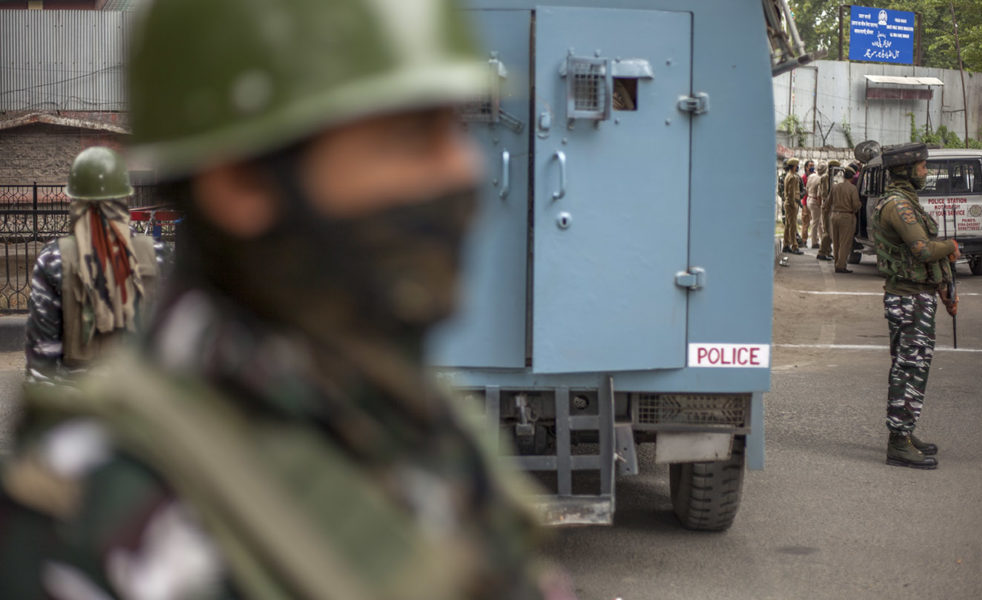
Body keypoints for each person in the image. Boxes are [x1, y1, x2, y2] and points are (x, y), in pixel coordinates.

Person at [0, 1, 573, 599]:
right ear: (239, 181)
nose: (464, 171)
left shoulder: (414, 415)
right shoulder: (94, 512)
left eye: (454, 128)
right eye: (407, 137)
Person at [23, 146, 161, 383]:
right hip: (142, 409)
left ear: (75, 200)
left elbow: (41, 366)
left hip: (77, 410)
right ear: (126, 198)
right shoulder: (157, 254)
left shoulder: (54, 258)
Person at [869, 142, 959, 470]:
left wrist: (943, 287)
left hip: (913, 297)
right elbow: (921, 249)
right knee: (909, 368)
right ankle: (898, 441)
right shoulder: (898, 205)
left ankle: (905, 433)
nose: (925, 172)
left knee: (912, 366)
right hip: (907, 300)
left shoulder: (906, 201)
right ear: (906, 170)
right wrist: (949, 246)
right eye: (921, 166)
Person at [830, 166, 862, 273]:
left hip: (834, 215)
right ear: (852, 177)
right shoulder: (853, 188)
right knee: (845, 243)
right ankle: (841, 266)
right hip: (847, 217)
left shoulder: (835, 187)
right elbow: (856, 205)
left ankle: (837, 264)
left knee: (836, 242)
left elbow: (827, 202)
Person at [816, 160, 838, 261]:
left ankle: (827, 251)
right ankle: (822, 252)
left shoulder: (832, 178)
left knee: (829, 230)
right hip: (827, 207)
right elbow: (825, 193)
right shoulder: (826, 178)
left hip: (828, 206)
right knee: (827, 231)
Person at [782, 158, 803, 254]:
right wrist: (794, 205)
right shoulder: (793, 177)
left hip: (788, 203)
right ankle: (794, 246)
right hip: (791, 203)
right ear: (794, 166)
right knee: (793, 226)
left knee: (788, 225)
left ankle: (786, 245)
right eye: (796, 165)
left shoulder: (788, 176)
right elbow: (791, 193)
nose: (797, 167)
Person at [805, 161, 824, 249]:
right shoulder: (821, 179)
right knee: (816, 223)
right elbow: (819, 194)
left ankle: (821, 239)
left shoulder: (811, 176)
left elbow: (807, 188)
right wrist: (821, 205)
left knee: (818, 222)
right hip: (816, 201)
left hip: (809, 199)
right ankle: (814, 242)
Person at [799, 160, 814, 246]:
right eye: (810, 166)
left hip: (814, 202)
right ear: (806, 167)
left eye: (813, 166)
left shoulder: (816, 175)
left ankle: (814, 241)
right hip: (805, 203)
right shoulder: (803, 178)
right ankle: (804, 240)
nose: (812, 167)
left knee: (815, 223)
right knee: (805, 223)